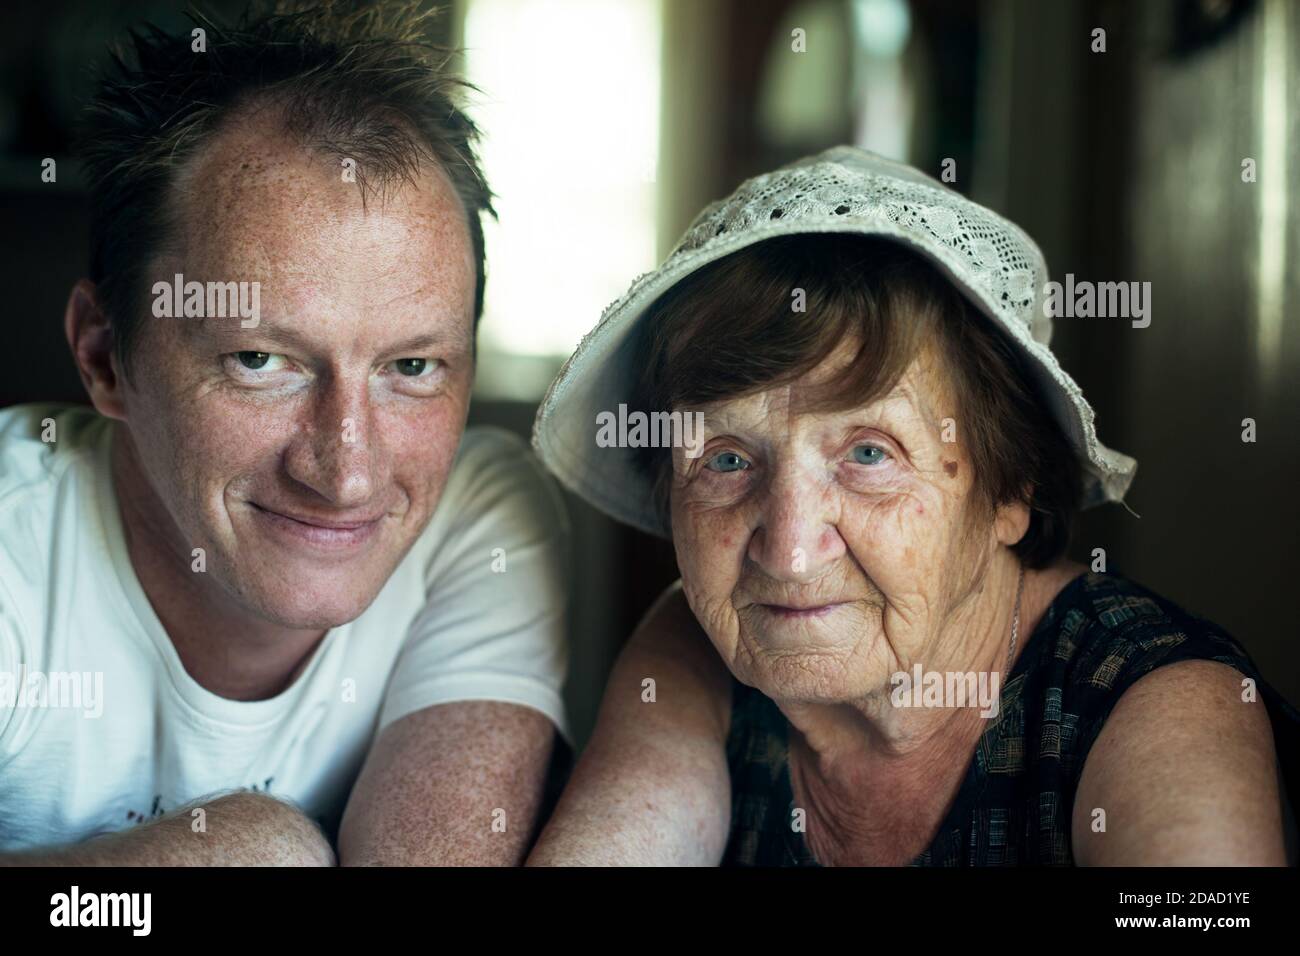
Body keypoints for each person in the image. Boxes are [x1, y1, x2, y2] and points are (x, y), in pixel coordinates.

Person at [529, 146, 1299, 865]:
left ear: (1007, 491)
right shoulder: (696, 642)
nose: (789, 554)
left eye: (869, 454)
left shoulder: (1153, 694)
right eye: (727, 460)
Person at [0, 3, 568, 865]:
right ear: (106, 356)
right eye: (261, 360)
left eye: (412, 369)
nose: (346, 471)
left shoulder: (478, 520)